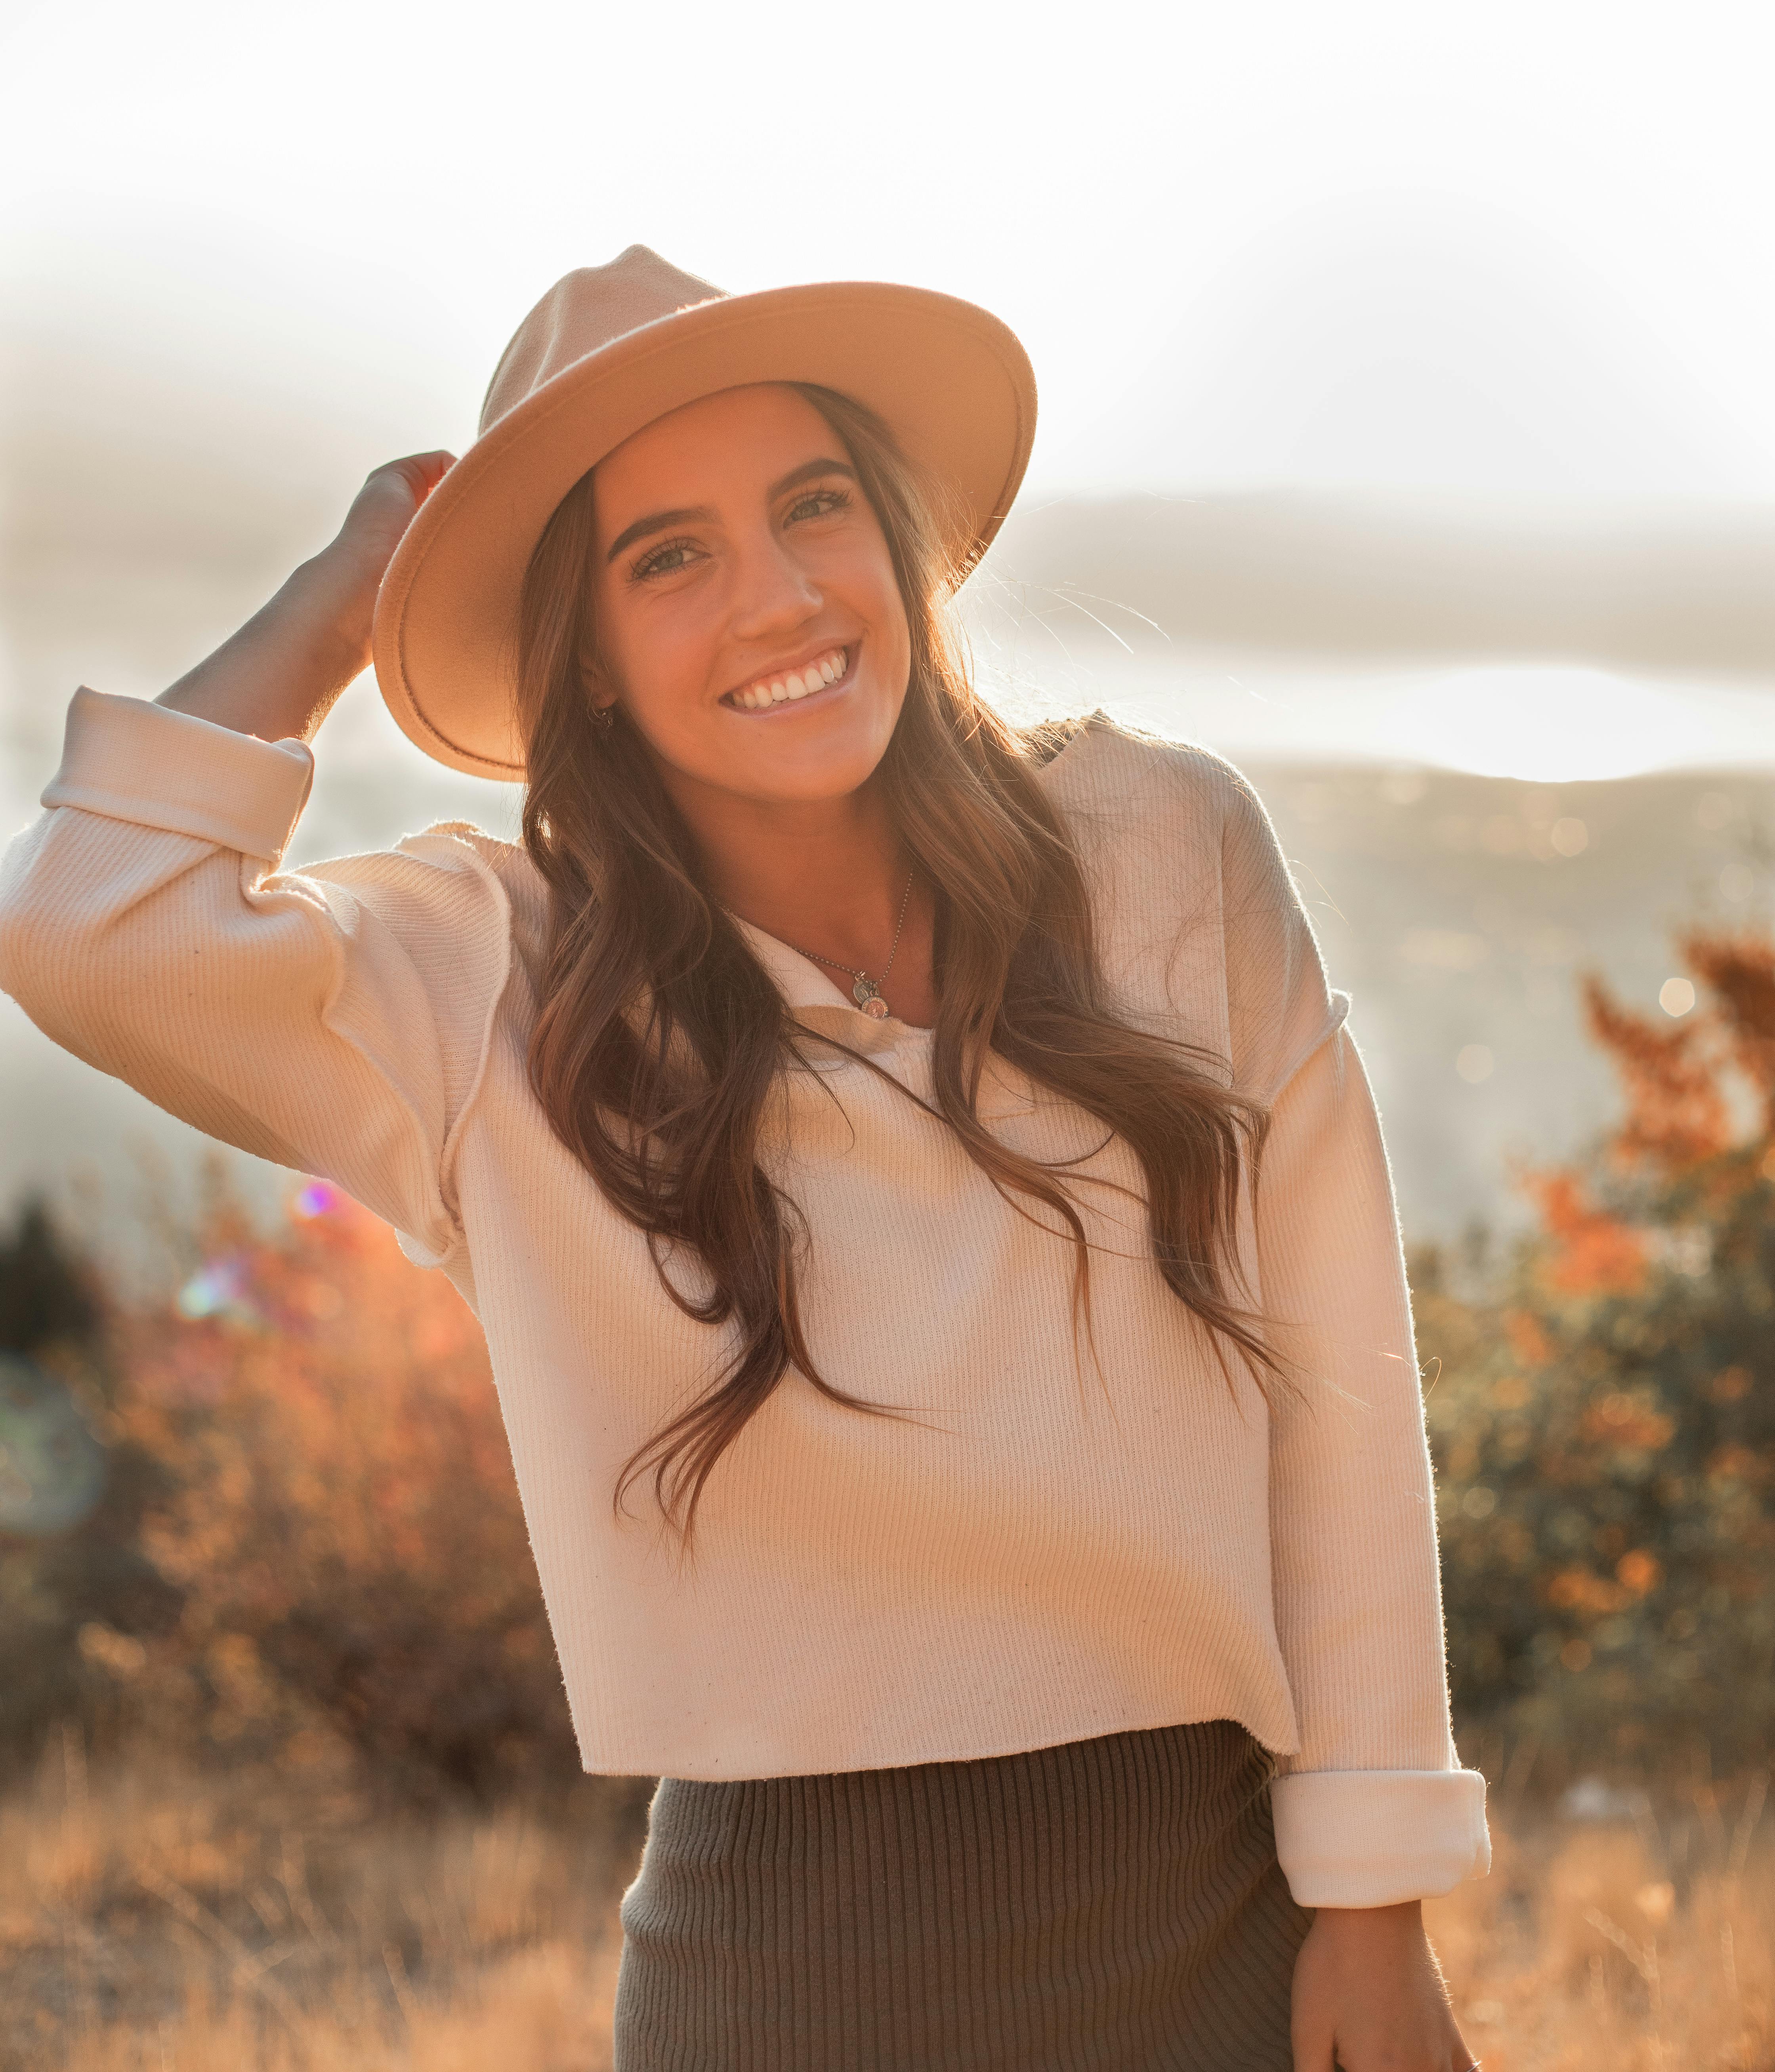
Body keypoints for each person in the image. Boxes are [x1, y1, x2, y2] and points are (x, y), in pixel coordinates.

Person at [0, 245, 1489, 2070]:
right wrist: (340, 602)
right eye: (667, 557)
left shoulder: (1157, 847)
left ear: (898, 536)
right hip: (786, 1983)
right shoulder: (496, 983)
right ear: (591, 659)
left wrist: (1369, 1897)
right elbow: (90, 923)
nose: (779, 599)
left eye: (814, 509)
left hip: (1232, 1923)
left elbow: (1337, 1382)